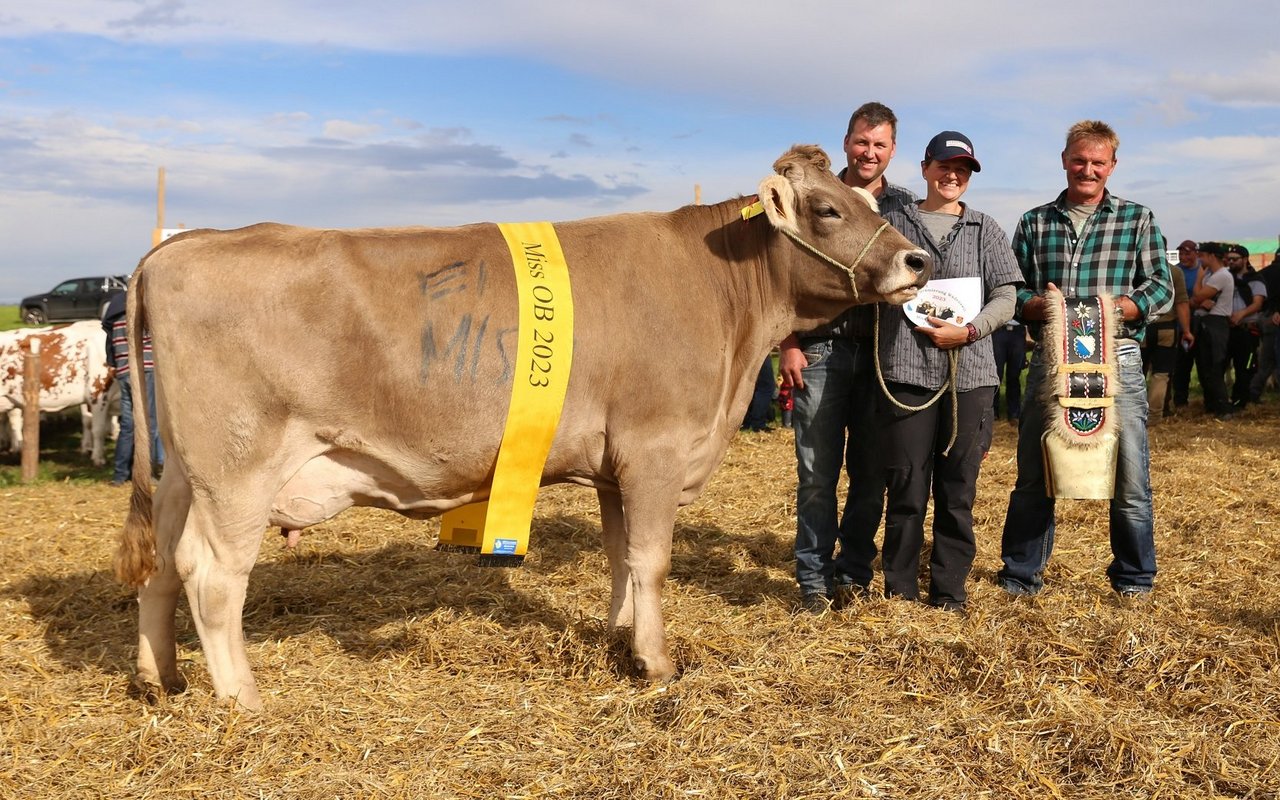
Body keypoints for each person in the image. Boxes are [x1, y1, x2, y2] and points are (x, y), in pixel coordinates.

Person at [998, 120, 1173, 598]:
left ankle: (1135, 579)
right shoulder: (1034, 222)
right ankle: (1020, 575)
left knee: (1130, 473)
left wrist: (1112, 309)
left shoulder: (1138, 218)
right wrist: (1041, 305)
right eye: (1080, 160)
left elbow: (1160, 288)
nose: (1088, 170)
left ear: (1112, 166)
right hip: (1051, 360)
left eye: (1098, 163)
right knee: (1035, 469)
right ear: (1064, 160)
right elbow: (1012, 292)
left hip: (1117, 358)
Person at [873, 131, 1021, 611]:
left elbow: (1007, 295)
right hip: (906, 372)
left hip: (970, 376)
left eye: (963, 169)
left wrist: (972, 331)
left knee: (958, 490)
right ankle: (900, 590)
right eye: (944, 165)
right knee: (907, 486)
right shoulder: (892, 222)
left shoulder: (985, 229)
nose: (953, 175)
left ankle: (949, 591)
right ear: (925, 168)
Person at [778, 101, 917, 612]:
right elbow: (782, 272)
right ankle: (813, 580)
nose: (869, 152)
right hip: (822, 348)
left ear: (892, 151)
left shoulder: (905, 208)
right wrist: (789, 342)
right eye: (862, 141)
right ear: (846, 142)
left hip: (883, 354)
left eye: (880, 144)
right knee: (816, 473)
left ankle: (854, 572)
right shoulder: (815, 197)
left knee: (869, 472)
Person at [102, 290, 163, 485]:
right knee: (150, 423)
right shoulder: (141, 316)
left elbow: (110, 352)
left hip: (124, 373)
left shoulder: (115, 321)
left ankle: (120, 475)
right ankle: (146, 474)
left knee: (128, 425)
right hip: (146, 370)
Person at [1190, 242, 1235, 420]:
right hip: (1207, 321)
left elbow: (1197, 297)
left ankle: (1224, 407)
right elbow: (1198, 300)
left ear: (1211, 256)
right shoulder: (1213, 274)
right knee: (1204, 366)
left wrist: (1199, 278)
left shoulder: (1220, 275)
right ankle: (1212, 405)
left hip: (1215, 323)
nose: (1200, 259)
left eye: (1202, 255)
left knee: (1214, 366)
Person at [1142, 265, 1191, 422]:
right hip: (1166, 328)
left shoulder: (1137, 268)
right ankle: (1155, 416)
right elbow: (1181, 303)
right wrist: (1187, 330)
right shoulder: (1174, 272)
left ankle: (1136, 413)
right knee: (1161, 374)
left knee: (1136, 373)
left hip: (1141, 327)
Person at [1225, 243, 1266, 409]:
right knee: (1220, 365)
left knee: (1245, 368)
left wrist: (1240, 315)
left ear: (1245, 259)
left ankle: (1240, 401)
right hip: (1227, 329)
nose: (1231, 262)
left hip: (1247, 330)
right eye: (1229, 259)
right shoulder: (1226, 277)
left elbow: (1257, 303)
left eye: (1235, 259)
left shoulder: (1255, 279)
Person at [1171, 240, 1200, 409]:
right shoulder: (1177, 272)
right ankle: (1180, 400)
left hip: (1200, 322)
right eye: (1181, 254)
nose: (1183, 257)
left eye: (1187, 253)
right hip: (1180, 325)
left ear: (1196, 253)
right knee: (1181, 366)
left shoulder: (1203, 271)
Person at [991, 320, 1026, 422]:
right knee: (995, 374)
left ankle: (1014, 413)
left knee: (1014, 375)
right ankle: (993, 412)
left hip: (1018, 331)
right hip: (998, 330)